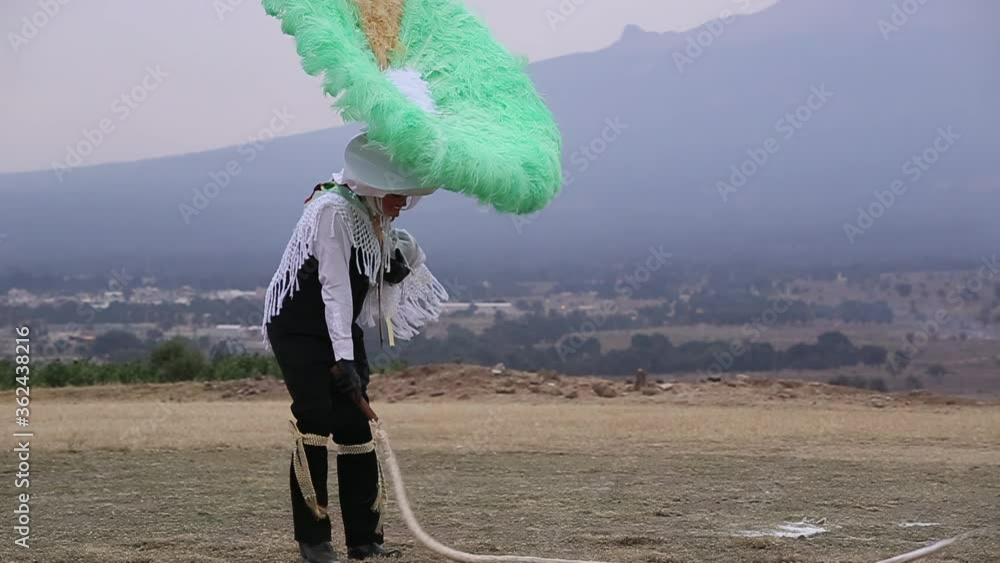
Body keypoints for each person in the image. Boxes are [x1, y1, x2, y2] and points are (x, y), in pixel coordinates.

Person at [262, 134, 447, 562]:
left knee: (355, 427)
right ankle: (315, 543)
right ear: (377, 188)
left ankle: (366, 544)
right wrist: (343, 358)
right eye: (398, 195)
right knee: (315, 420)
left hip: (337, 325)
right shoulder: (332, 212)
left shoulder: (373, 211)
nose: (402, 204)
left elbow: (363, 288)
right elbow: (335, 289)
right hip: (300, 330)